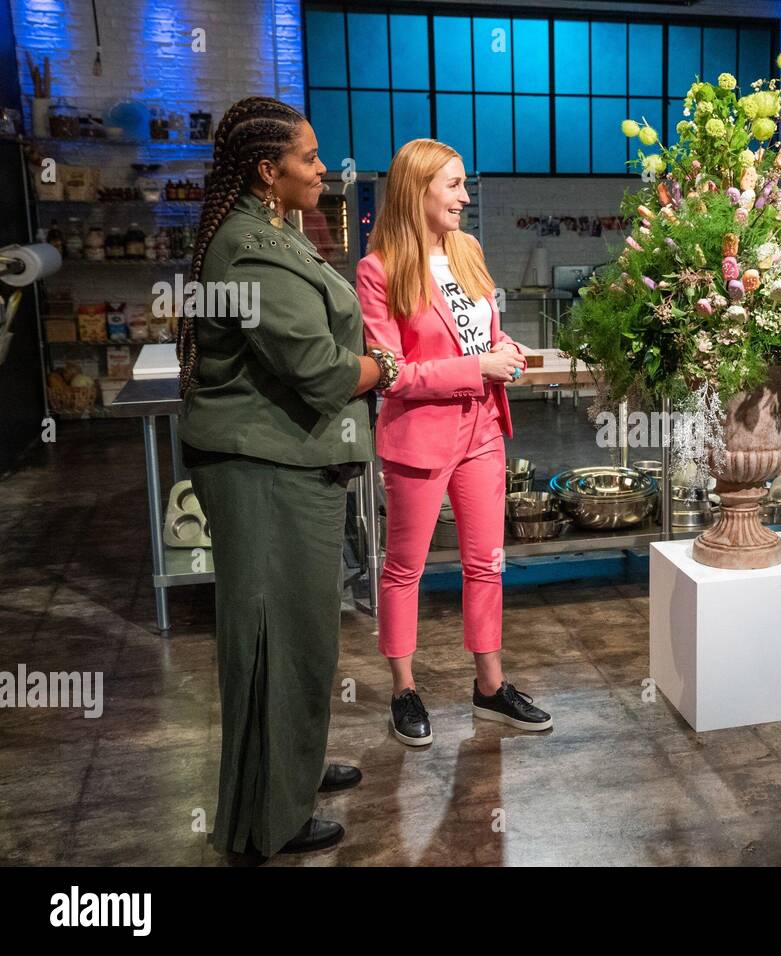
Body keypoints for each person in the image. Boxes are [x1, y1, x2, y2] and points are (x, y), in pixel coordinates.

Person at [177, 96, 398, 858]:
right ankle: (269, 820)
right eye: (308, 159)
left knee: (303, 640)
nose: (321, 171)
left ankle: (291, 773)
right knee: (276, 644)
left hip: (290, 466)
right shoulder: (248, 247)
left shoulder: (270, 232)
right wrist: (391, 366)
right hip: (262, 473)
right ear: (267, 171)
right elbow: (319, 371)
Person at [356, 138, 553, 746]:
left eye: (464, 184)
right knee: (404, 569)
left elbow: (484, 332)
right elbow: (394, 374)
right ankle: (403, 690)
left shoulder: (469, 250)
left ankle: (489, 686)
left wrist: (507, 350)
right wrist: (479, 368)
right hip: (419, 436)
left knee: (486, 563)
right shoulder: (379, 269)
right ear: (417, 191)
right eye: (454, 185)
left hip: (483, 430)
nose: (466, 196)